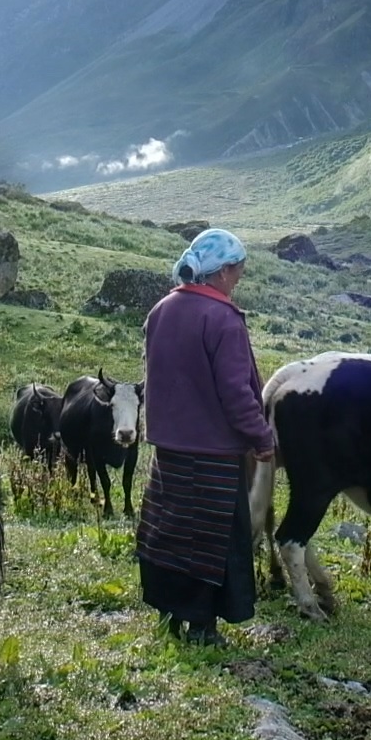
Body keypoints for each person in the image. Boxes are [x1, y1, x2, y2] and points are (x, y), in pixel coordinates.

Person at [135, 227, 277, 646]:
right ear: (222, 271)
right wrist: (261, 437)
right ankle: (202, 627)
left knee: (168, 530)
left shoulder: (162, 309)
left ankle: (170, 615)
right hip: (212, 451)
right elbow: (235, 391)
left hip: (170, 447)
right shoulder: (222, 319)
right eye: (238, 271)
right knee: (210, 539)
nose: (239, 279)